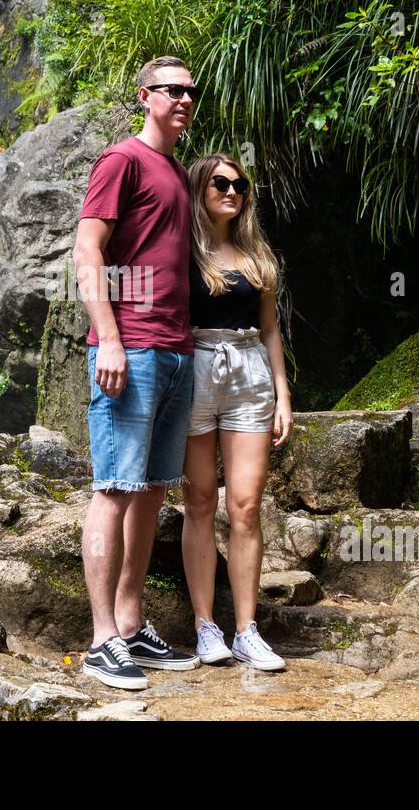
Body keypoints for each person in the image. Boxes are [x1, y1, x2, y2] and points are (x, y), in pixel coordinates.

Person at [72, 55, 203, 690]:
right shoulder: (120, 160)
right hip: (133, 347)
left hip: (177, 350)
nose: (183, 99)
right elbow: (88, 249)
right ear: (145, 95)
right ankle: (100, 640)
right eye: (171, 90)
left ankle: (129, 627)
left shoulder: (176, 170)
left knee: (152, 488)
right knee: (115, 487)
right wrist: (112, 341)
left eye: (191, 92)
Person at [180, 153, 293, 671]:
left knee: (246, 505)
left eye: (240, 184)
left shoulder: (256, 255)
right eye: (220, 183)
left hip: (248, 370)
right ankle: (206, 627)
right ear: (200, 189)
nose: (232, 191)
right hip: (196, 365)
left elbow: (270, 328)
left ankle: (247, 629)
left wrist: (283, 393)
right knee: (201, 500)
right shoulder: (181, 250)